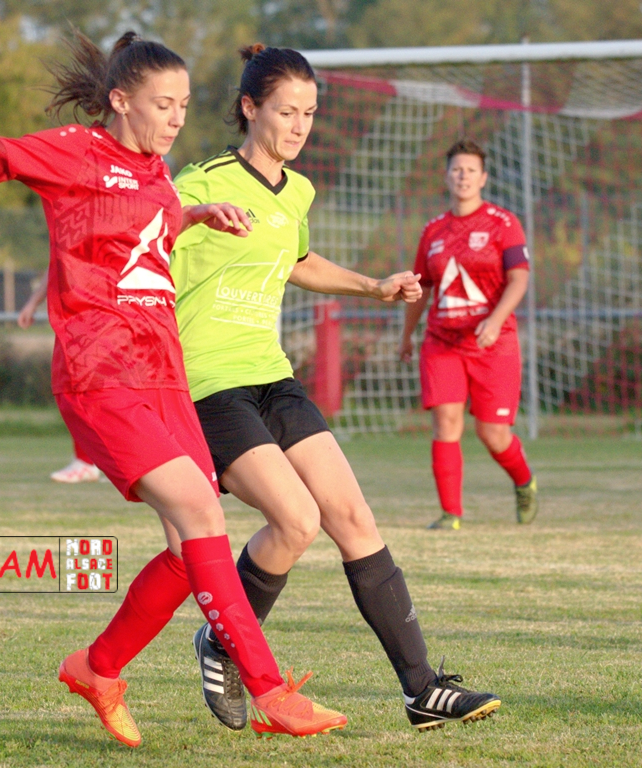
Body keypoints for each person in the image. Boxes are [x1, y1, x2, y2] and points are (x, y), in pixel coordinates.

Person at [0, 17, 348, 746]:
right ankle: (268, 690)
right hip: (102, 375)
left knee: (181, 545)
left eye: (185, 106)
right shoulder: (72, 154)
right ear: (121, 98)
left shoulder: (159, 177)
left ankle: (99, 668)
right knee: (203, 513)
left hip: (164, 373)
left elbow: (146, 237)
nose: (176, 118)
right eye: (164, 103)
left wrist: (196, 213)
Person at [172, 44, 501, 732]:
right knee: (297, 522)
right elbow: (140, 242)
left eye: (310, 113)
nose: (299, 125)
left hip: (271, 377)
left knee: (352, 517)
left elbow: (297, 259)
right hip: (208, 385)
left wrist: (373, 284)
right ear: (249, 107)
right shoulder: (200, 183)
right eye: (286, 111)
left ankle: (421, 688)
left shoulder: (297, 191)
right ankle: (223, 639)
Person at [399, 139, 539, 530]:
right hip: (442, 341)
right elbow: (421, 288)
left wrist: (494, 320)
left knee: (493, 433)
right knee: (446, 422)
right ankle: (451, 515)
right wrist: (406, 336)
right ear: (447, 176)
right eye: (456, 169)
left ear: (484, 177)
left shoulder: (503, 223)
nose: (463, 176)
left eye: (471, 170)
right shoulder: (433, 231)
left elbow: (519, 278)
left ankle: (524, 482)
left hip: (493, 343)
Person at [17, 269, 103, 483]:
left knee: (93, 392)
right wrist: (32, 303)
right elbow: (56, 263)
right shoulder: (67, 237)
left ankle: (92, 462)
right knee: (77, 391)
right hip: (74, 321)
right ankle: (91, 461)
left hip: (104, 318)